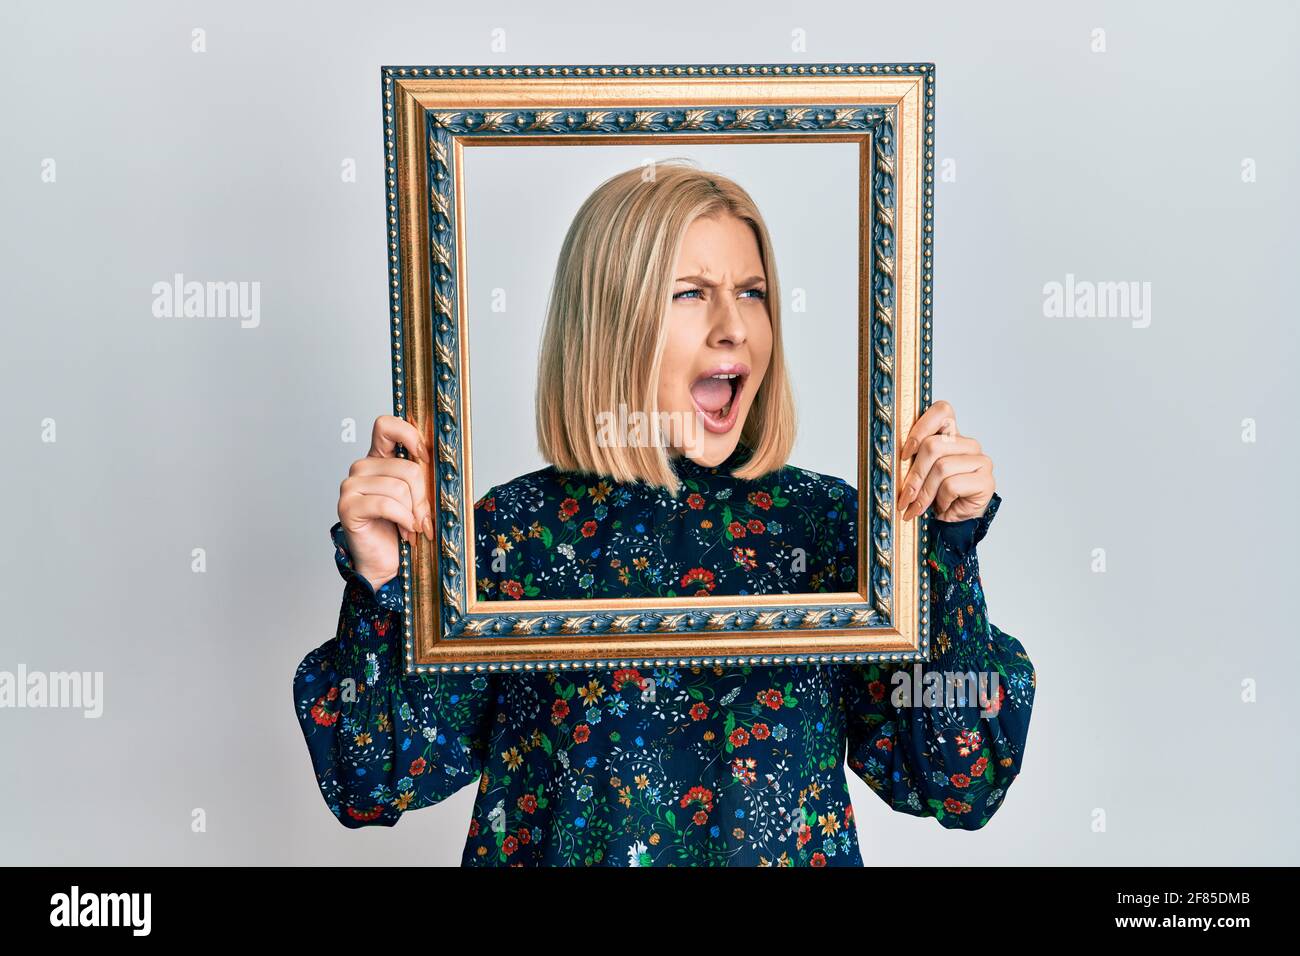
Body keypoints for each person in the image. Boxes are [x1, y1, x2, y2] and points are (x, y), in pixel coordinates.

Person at [293, 161, 1036, 866]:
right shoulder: (509, 536)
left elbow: (957, 781)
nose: (733, 327)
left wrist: (946, 550)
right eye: (690, 293)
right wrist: (382, 586)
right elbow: (372, 781)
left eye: (752, 292)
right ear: (610, 322)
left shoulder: (828, 527)